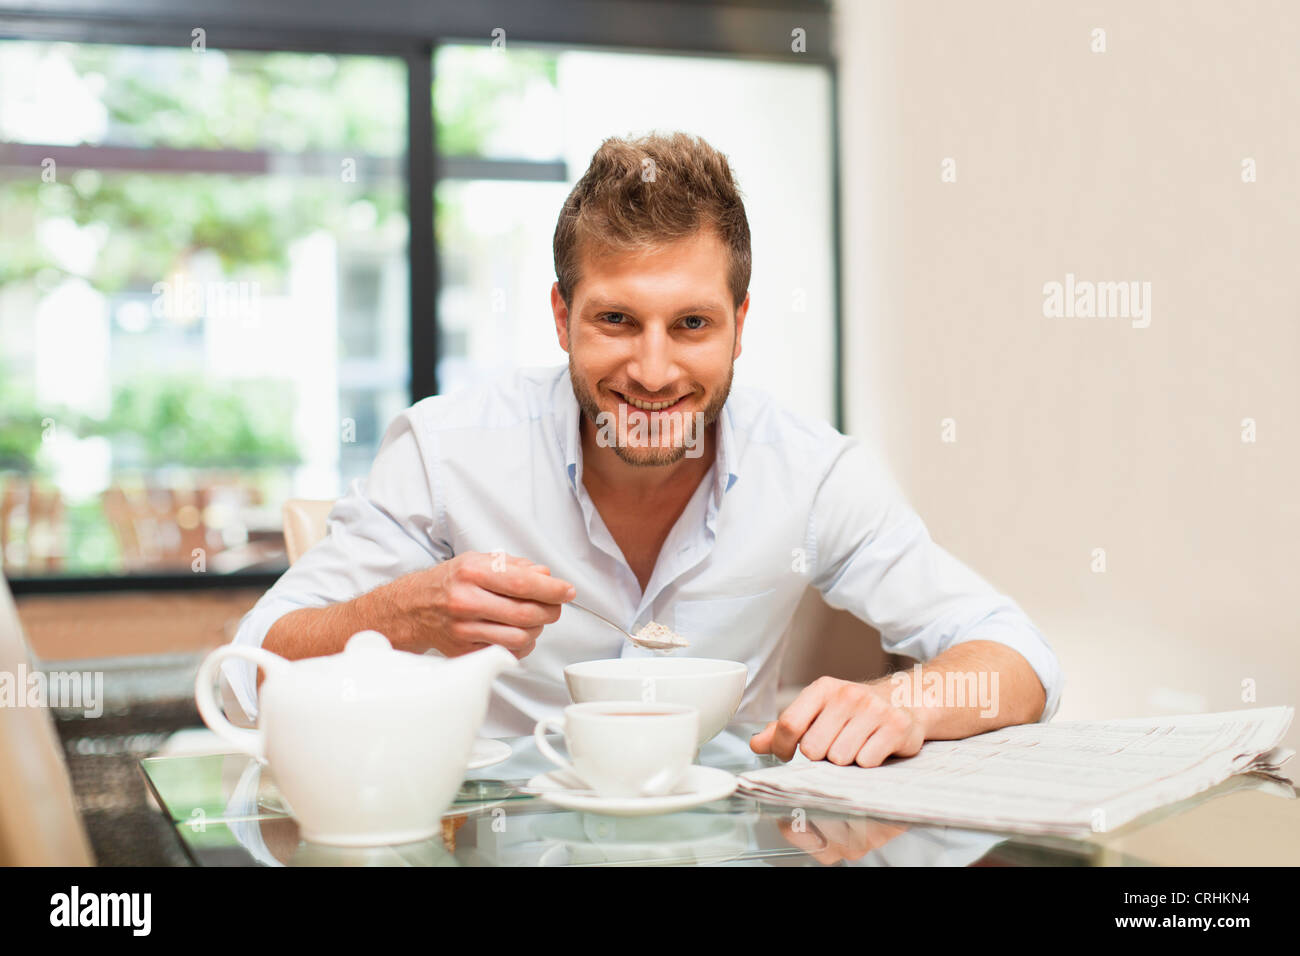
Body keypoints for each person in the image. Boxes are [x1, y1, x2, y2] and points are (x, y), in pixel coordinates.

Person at [225, 131, 1062, 767]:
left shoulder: (812, 474)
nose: (653, 372)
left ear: (740, 325)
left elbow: (1019, 659)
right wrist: (398, 614)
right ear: (563, 318)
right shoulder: (447, 453)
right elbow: (244, 681)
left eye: (691, 324)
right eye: (616, 320)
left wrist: (909, 699)